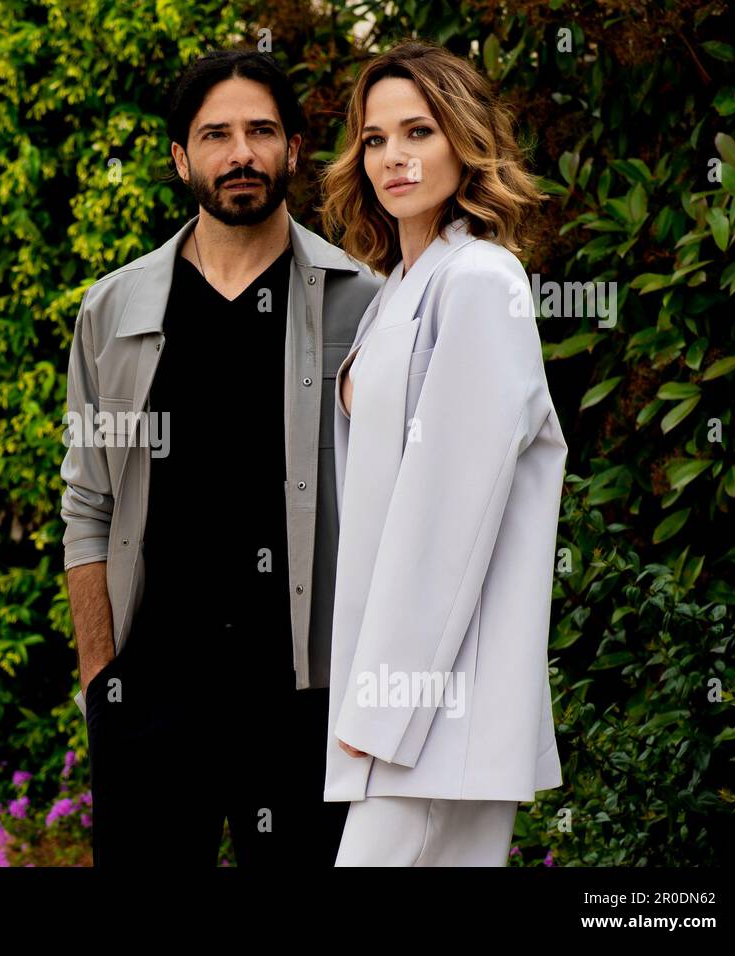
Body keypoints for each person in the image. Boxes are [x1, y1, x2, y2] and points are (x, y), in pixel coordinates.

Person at [59, 50, 380, 867]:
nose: (241, 153)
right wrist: (103, 680)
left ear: (295, 150)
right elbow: (87, 505)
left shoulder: (366, 303)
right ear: (180, 158)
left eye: (261, 131)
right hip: (154, 702)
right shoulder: (114, 311)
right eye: (216, 135)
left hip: (310, 705)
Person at [315, 39, 568, 866]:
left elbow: (450, 518)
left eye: (417, 131)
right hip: (413, 712)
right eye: (375, 138)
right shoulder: (399, 289)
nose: (393, 157)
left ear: (462, 139)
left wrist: (383, 707)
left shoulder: (480, 281)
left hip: (432, 716)